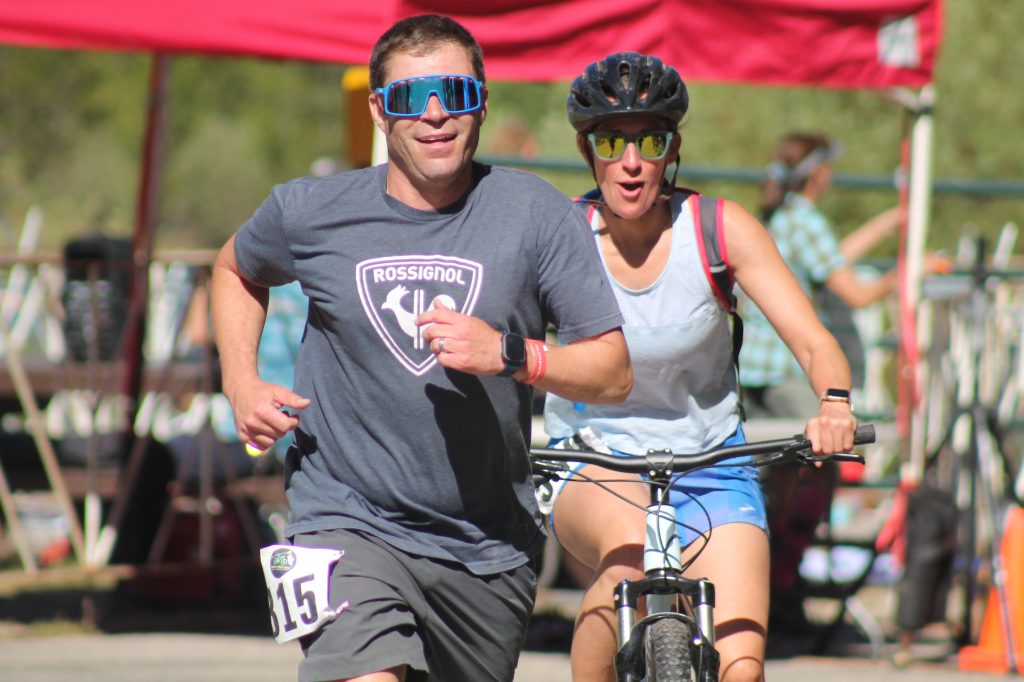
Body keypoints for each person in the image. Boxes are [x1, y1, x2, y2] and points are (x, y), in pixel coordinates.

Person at [210, 14, 632, 682]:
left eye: (455, 94)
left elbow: (613, 372)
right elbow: (235, 269)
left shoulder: (536, 214)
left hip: (487, 546)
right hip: (343, 515)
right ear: (380, 111)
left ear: (482, 103)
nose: (435, 114)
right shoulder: (310, 211)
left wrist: (510, 354)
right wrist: (241, 381)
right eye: (410, 97)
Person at [542, 53, 857, 682]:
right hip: (595, 457)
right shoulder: (560, 234)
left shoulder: (719, 229)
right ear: (587, 150)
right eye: (611, 142)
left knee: (742, 667)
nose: (632, 162)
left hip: (711, 459)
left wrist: (835, 403)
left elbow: (814, 341)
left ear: (673, 149)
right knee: (629, 558)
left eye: (651, 141)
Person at [737, 132, 911, 633]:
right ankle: (783, 578)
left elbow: (831, 258)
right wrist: (904, 275)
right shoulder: (806, 220)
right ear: (818, 173)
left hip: (751, 368)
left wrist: (888, 223)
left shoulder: (777, 216)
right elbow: (853, 291)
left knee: (772, 478)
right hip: (786, 373)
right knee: (818, 470)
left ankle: (765, 578)